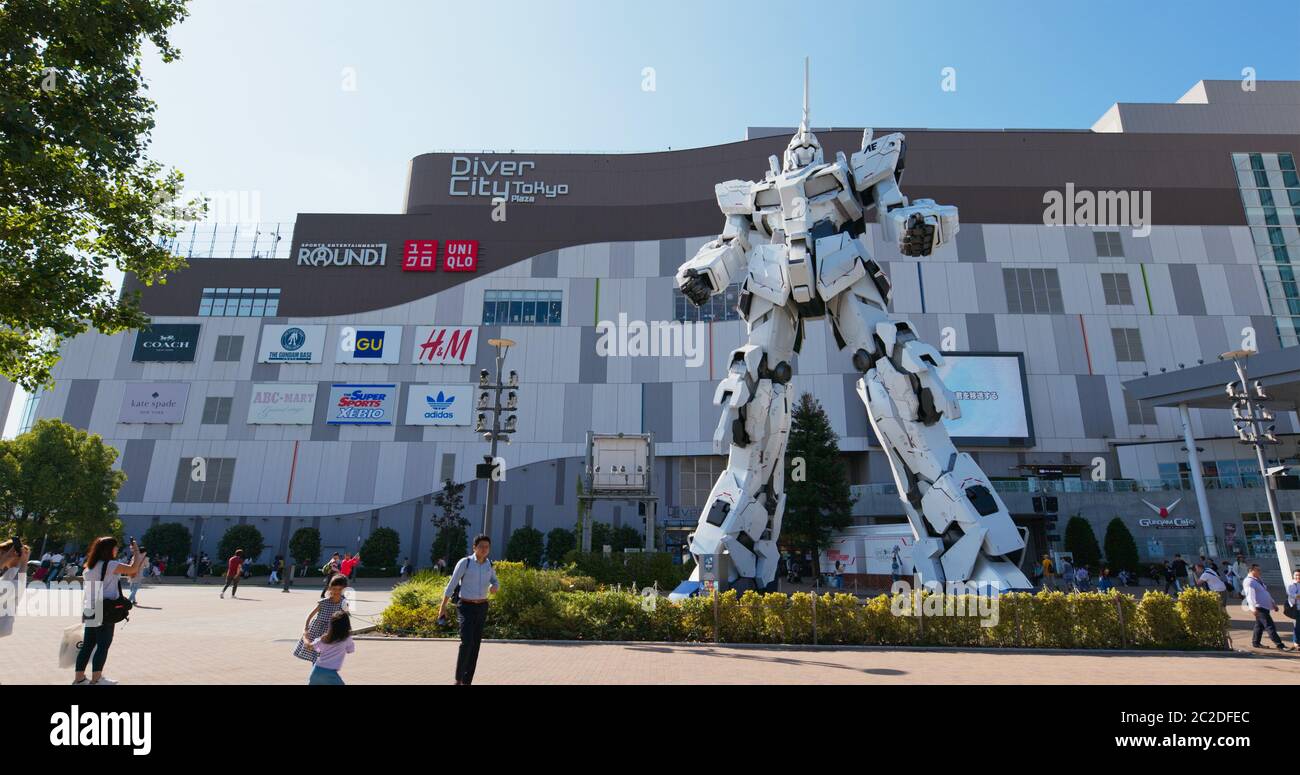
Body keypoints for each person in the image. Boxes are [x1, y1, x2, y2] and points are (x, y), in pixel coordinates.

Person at [75, 536, 147, 685]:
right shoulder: (110, 565)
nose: (117, 550)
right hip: (105, 609)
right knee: (103, 645)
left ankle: (79, 678)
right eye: (115, 548)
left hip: (90, 608)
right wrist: (136, 552)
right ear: (109, 549)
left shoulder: (89, 566)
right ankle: (97, 679)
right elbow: (133, 570)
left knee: (87, 646)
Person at [437, 535, 499, 686]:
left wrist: (495, 586)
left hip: (482, 606)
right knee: (467, 642)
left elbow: (495, 580)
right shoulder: (466, 562)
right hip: (466, 606)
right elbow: (451, 585)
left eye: (487, 547)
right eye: (481, 546)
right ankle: (458, 679)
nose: (484, 549)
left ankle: (467, 681)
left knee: (475, 644)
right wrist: (442, 607)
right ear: (474, 547)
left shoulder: (489, 564)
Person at [296, 575, 349, 666]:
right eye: (334, 588)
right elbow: (310, 615)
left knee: (328, 656)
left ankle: (322, 673)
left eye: (339, 589)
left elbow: (345, 618)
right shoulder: (324, 602)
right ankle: (316, 672)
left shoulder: (344, 602)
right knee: (317, 656)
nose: (336, 591)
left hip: (332, 631)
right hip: (317, 630)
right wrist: (306, 629)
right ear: (330, 588)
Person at [1243, 564, 1290, 651]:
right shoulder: (1249, 581)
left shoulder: (1257, 580)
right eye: (1257, 570)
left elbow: (1265, 592)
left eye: (1259, 570)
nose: (1259, 572)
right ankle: (1280, 645)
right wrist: (1253, 609)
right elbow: (1250, 596)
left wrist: (1273, 603)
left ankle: (1255, 642)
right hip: (1259, 607)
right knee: (1269, 626)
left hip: (1265, 607)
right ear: (1251, 570)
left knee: (1259, 626)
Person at [305, 611, 355, 685]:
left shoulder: (325, 638)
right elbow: (350, 650)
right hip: (330, 674)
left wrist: (305, 636)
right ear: (347, 625)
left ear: (331, 625)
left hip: (316, 671)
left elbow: (310, 646)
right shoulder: (347, 638)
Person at [1, 538, 31, 639]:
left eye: (2, 553)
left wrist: (2, 562)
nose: (2, 556)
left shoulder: (14, 574)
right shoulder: (12, 572)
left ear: (13, 555)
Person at [1286, 569, 1300, 648]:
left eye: (1299, 575)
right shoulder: (1291, 584)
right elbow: (1292, 595)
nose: (1298, 576)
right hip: (1296, 608)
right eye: (1296, 575)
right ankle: (1296, 642)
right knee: (1297, 626)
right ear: (1293, 575)